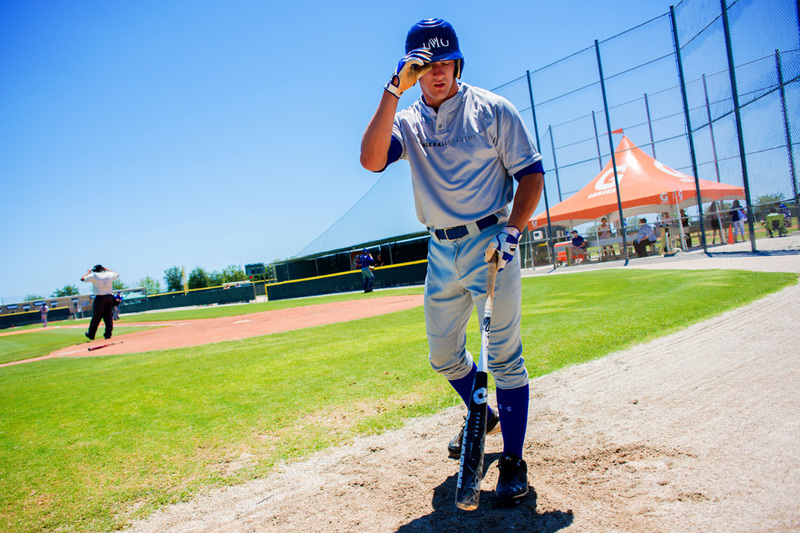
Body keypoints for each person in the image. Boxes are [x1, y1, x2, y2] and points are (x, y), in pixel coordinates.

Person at [360, 18, 545, 504]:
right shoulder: (407, 119)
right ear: (412, 71)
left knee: (504, 358)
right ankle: (483, 413)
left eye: (445, 62)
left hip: (491, 243)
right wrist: (390, 92)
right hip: (441, 248)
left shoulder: (493, 110)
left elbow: (531, 176)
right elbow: (371, 159)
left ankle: (512, 463)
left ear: (458, 62)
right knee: (443, 354)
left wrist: (512, 230)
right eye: (426, 64)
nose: (438, 72)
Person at [80, 264, 119, 340]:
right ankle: (108, 334)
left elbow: (82, 279)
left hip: (100, 298)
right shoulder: (109, 274)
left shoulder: (94, 275)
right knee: (108, 317)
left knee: (96, 317)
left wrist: (88, 272)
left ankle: (91, 334)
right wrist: (107, 269)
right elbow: (117, 274)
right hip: (109, 297)